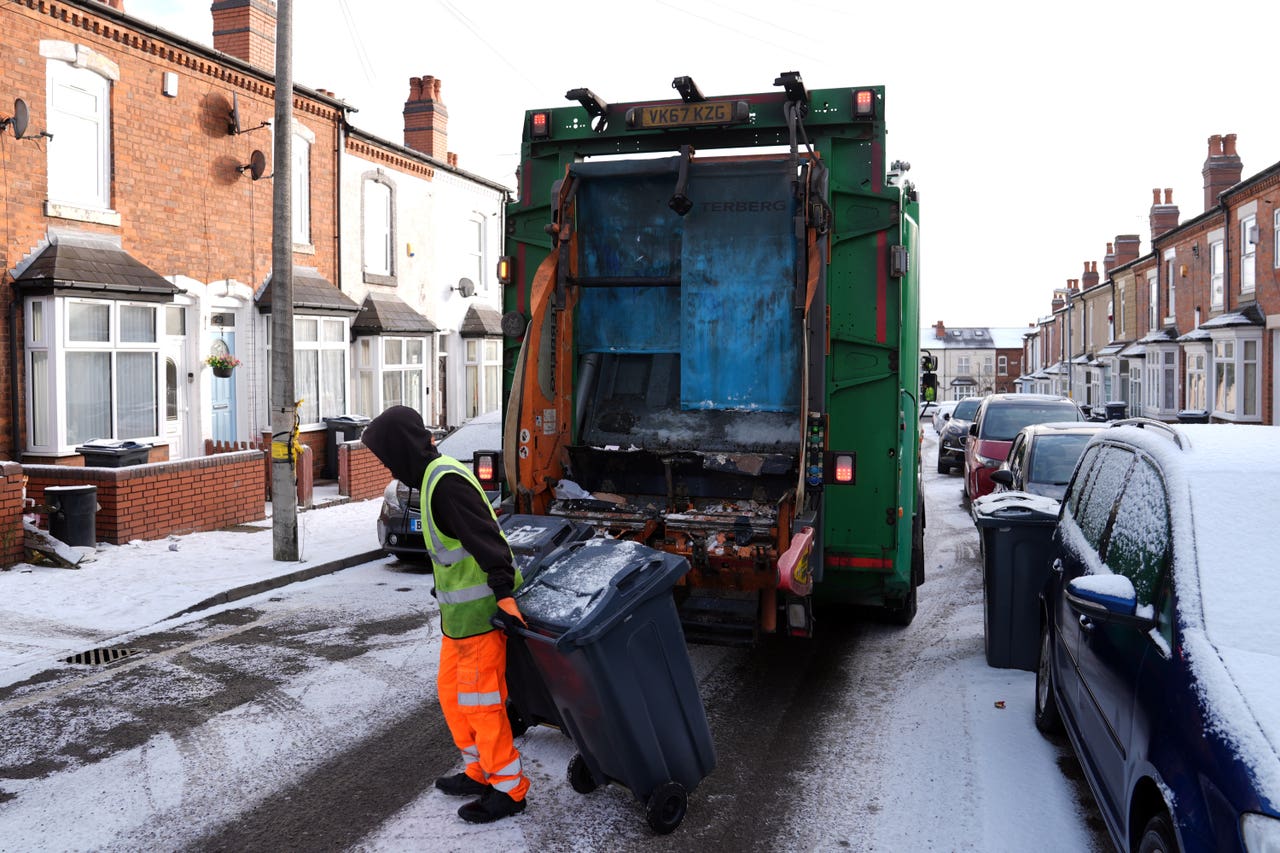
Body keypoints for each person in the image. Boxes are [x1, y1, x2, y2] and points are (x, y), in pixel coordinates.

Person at [360, 406, 530, 823]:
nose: (387, 465)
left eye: (386, 456)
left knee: (482, 705)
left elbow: (487, 539)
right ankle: (479, 771)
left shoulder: (446, 483)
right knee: (455, 697)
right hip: (459, 622)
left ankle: (509, 790)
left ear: (401, 449)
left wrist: (505, 594)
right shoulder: (432, 480)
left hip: (482, 619)